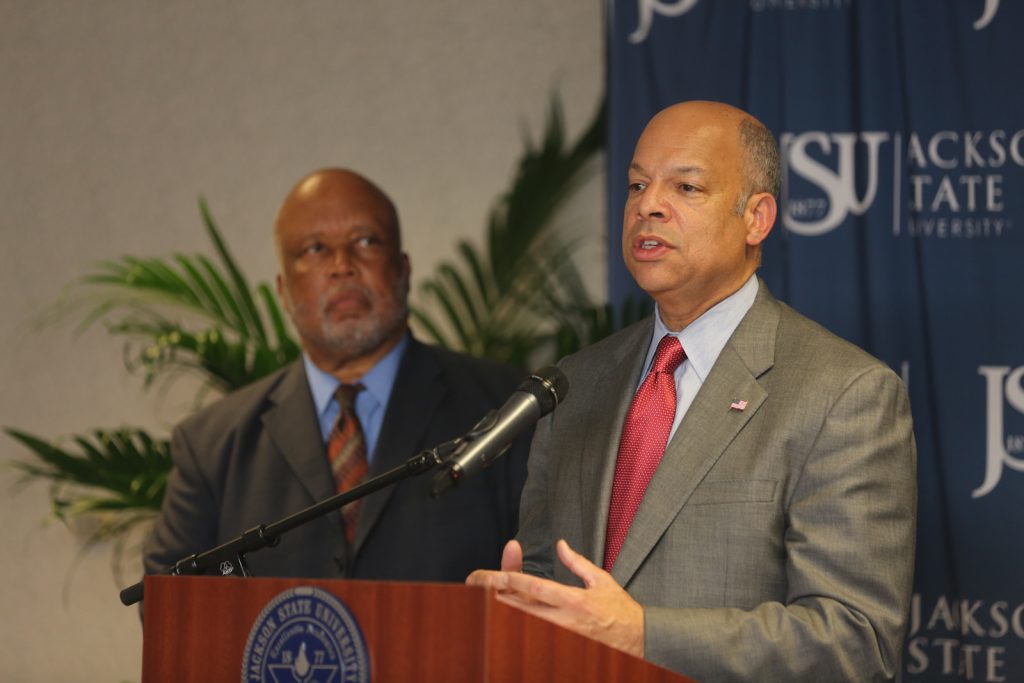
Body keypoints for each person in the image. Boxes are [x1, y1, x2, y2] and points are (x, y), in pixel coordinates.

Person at [468, 101, 917, 682]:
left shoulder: (845, 394)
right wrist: (515, 606)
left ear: (756, 218)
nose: (648, 205)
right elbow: (548, 582)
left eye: (686, 186)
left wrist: (643, 635)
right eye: (636, 185)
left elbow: (856, 642)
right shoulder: (575, 382)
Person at [144, 168, 528, 584]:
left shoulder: (508, 409)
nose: (342, 266)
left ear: (402, 269)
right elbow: (171, 613)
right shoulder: (211, 445)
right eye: (314, 249)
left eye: (366, 242)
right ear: (282, 290)